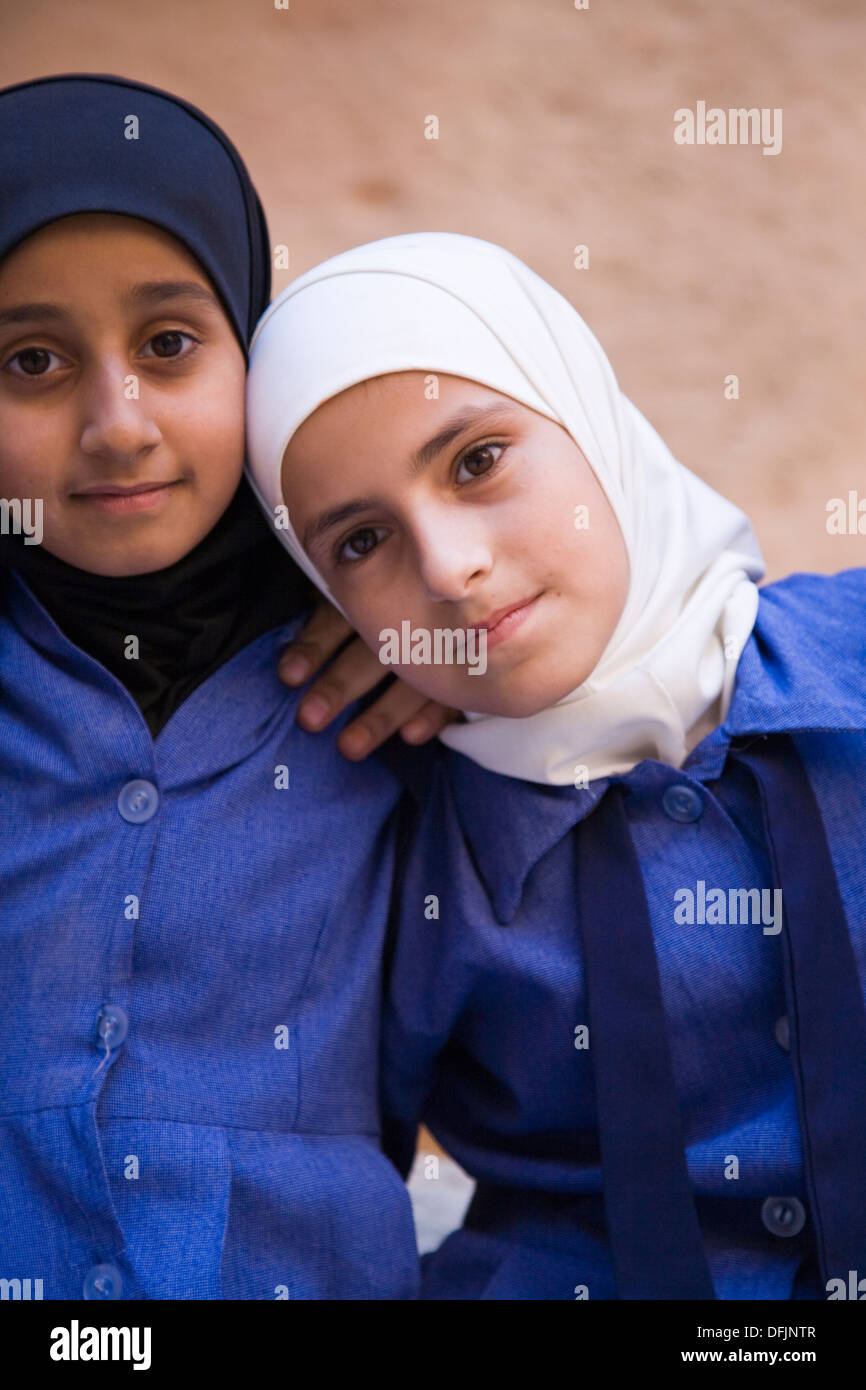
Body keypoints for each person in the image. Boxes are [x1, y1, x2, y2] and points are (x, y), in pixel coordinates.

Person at [246, 230, 866, 1299]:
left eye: (476, 460)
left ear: (590, 420)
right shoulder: (385, 838)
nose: (449, 567)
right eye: (359, 543)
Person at [0, 75, 449, 1301]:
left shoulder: (390, 669)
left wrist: (449, 653)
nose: (117, 424)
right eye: (31, 359)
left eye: (168, 344)